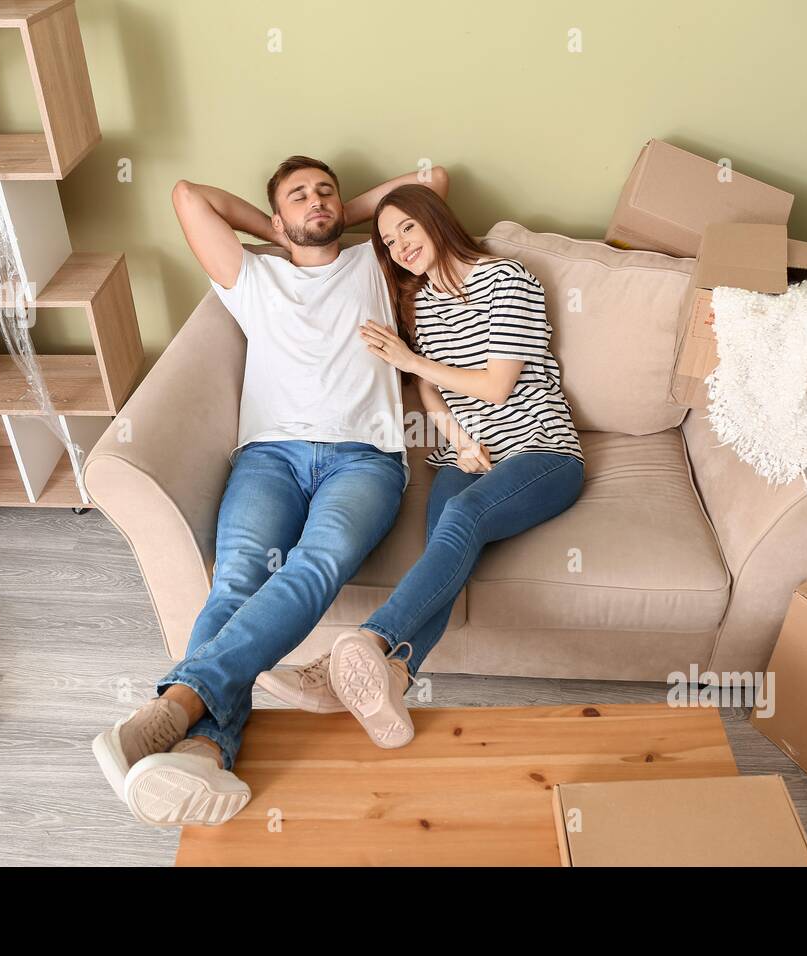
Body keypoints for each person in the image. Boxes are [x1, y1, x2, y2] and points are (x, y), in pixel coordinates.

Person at [92, 158, 449, 826]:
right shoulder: (251, 276)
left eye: (327, 192)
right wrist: (281, 232)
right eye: (299, 195)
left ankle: (177, 703)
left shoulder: (374, 261)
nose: (316, 200)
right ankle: (202, 749)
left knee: (316, 566)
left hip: (364, 460)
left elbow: (429, 183)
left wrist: (332, 219)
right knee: (234, 584)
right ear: (275, 214)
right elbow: (188, 194)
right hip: (269, 458)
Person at [257, 184, 584, 748]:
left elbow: (497, 386)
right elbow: (430, 390)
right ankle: (389, 676)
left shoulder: (507, 278)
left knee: (463, 517)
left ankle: (363, 644)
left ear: (435, 220)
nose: (400, 245)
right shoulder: (422, 301)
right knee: (445, 548)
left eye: (408, 227)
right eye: (388, 240)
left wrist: (410, 358)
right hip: (466, 452)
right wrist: (459, 441)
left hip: (542, 450)